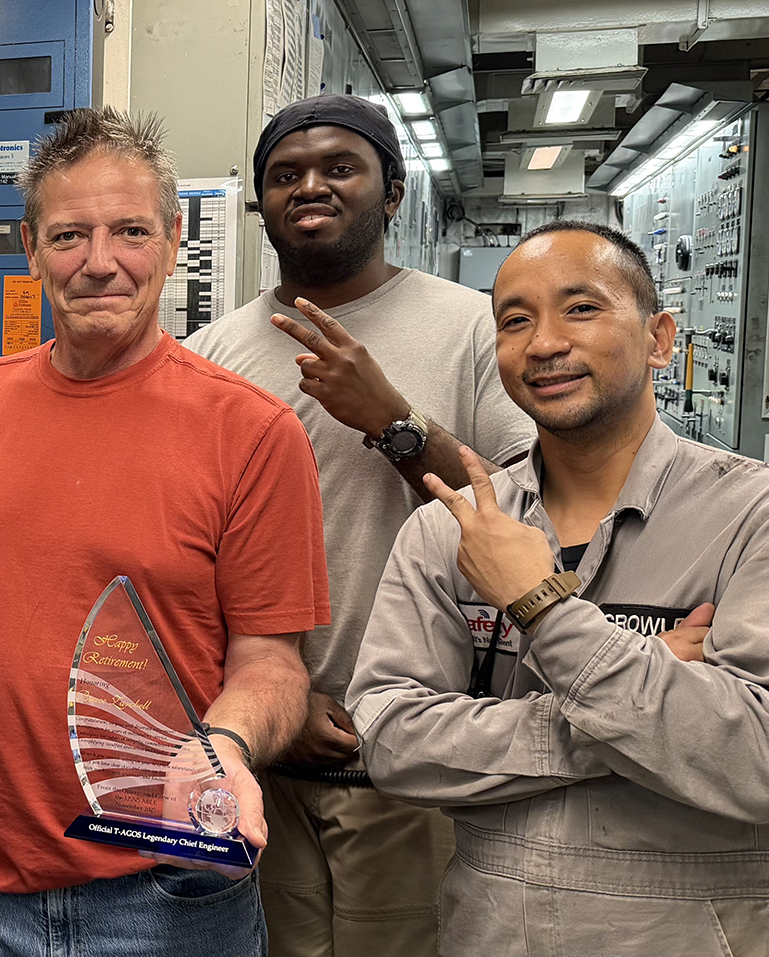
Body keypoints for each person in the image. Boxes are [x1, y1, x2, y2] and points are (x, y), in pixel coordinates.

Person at [0, 106, 331, 957]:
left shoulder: (255, 433)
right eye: (70, 235)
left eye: (130, 231)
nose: (100, 263)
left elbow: (271, 663)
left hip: (168, 896)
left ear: (174, 236)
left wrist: (223, 743)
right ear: (31, 247)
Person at [349, 221, 769, 957]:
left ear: (660, 339)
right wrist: (619, 720)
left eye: (581, 308)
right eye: (514, 320)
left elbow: (761, 760)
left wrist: (542, 607)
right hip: (494, 933)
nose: (544, 343)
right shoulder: (449, 531)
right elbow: (395, 743)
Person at [184, 94, 534, 957]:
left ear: (392, 192)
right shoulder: (212, 353)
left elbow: (525, 521)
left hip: (414, 756)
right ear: (261, 203)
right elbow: (187, 557)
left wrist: (393, 423)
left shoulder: (470, 330)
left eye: (341, 167)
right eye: (285, 174)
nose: (311, 187)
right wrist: (278, 698)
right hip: (264, 756)